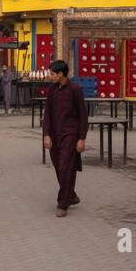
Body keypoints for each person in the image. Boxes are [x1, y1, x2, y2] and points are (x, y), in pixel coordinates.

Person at [42, 59, 89, 217]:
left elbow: (83, 116)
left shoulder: (75, 90)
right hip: (55, 135)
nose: (50, 77)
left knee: (65, 167)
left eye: (52, 74)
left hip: (70, 135)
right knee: (58, 166)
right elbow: (47, 113)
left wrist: (81, 138)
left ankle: (63, 203)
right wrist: (46, 134)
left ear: (60, 74)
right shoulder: (52, 90)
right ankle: (71, 195)